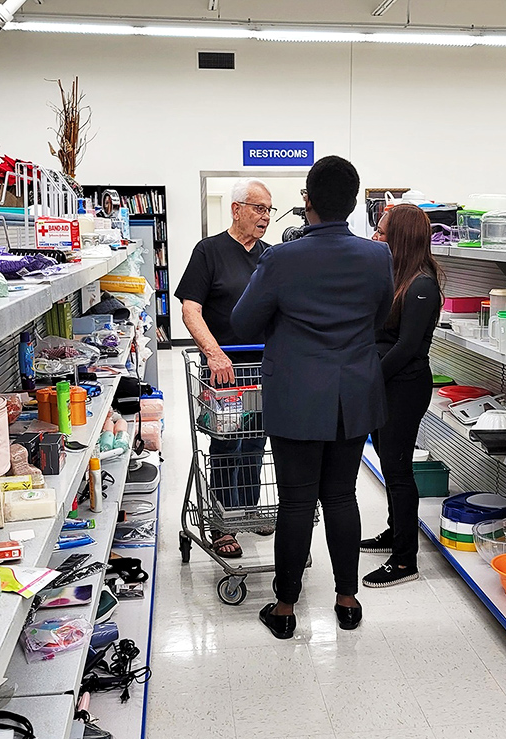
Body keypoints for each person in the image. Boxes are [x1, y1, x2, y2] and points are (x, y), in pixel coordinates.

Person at [231, 155, 394, 639]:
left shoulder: (281, 258)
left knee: (298, 503)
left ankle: (284, 608)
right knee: (342, 496)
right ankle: (347, 601)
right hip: (353, 394)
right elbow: (381, 315)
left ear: (308, 202)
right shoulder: (376, 256)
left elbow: (242, 322)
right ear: (353, 202)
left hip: (297, 395)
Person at [174, 178, 276, 559]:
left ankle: (248, 508)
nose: (265, 216)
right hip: (223, 371)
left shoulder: (269, 255)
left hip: (263, 368)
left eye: (269, 209)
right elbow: (190, 308)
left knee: (256, 440)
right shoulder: (210, 251)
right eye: (258, 208)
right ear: (237, 209)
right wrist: (215, 355)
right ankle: (220, 522)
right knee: (225, 442)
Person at [360, 204, 444, 587]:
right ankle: (395, 532)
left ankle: (405, 559)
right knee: (389, 463)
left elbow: (408, 346)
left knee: (398, 470)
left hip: (404, 387)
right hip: (385, 385)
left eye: (381, 232)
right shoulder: (396, 277)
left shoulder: (422, 285)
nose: (376, 237)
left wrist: (370, 377)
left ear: (401, 238)